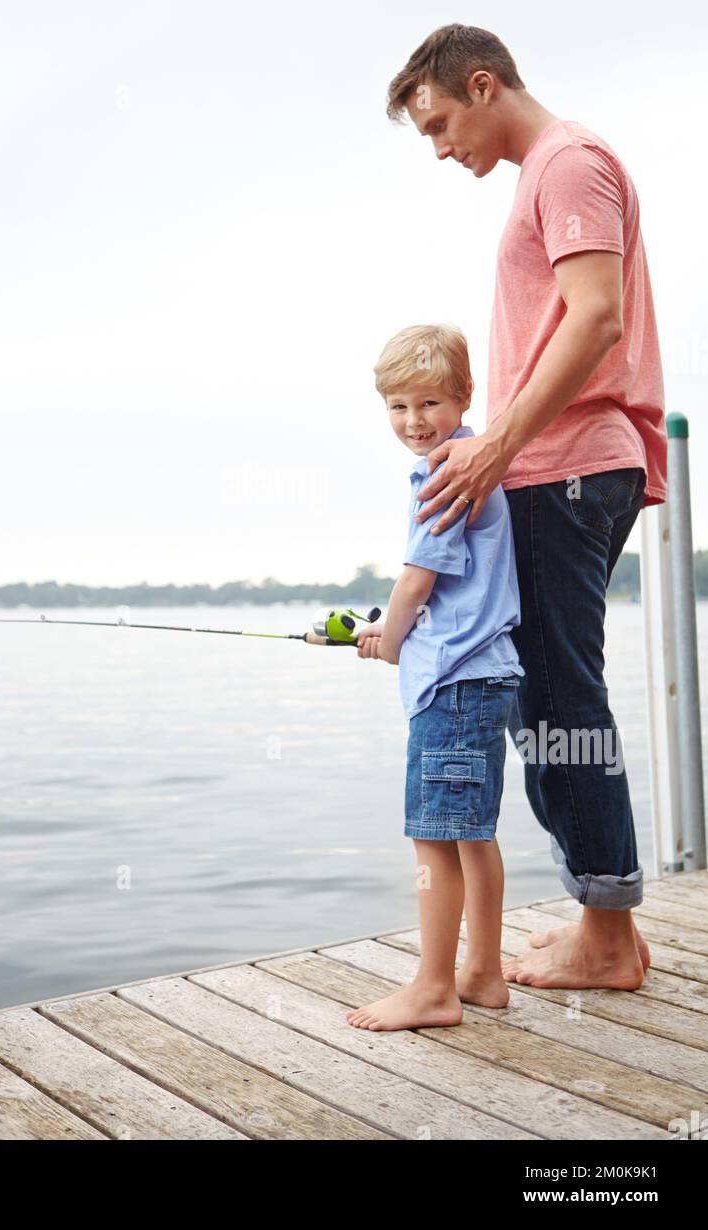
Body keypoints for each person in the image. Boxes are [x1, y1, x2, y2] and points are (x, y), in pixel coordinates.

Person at [383, 23, 667, 990]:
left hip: (568, 467)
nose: (439, 147)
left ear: (481, 84)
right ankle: (607, 923)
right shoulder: (548, 172)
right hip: (557, 469)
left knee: (557, 699)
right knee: (548, 696)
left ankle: (608, 937)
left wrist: (498, 441)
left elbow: (596, 317)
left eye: (438, 124)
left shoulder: (566, 163)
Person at [346, 324, 524, 1031]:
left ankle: (433, 988)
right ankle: (480, 973)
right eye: (399, 407)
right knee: (472, 834)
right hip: (483, 675)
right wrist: (388, 632)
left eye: (429, 403)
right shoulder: (474, 461)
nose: (415, 422)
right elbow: (448, 589)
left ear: (464, 397)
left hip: (452, 685)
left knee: (434, 836)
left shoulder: (444, 472)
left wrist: (389, 640)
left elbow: (418, 579)